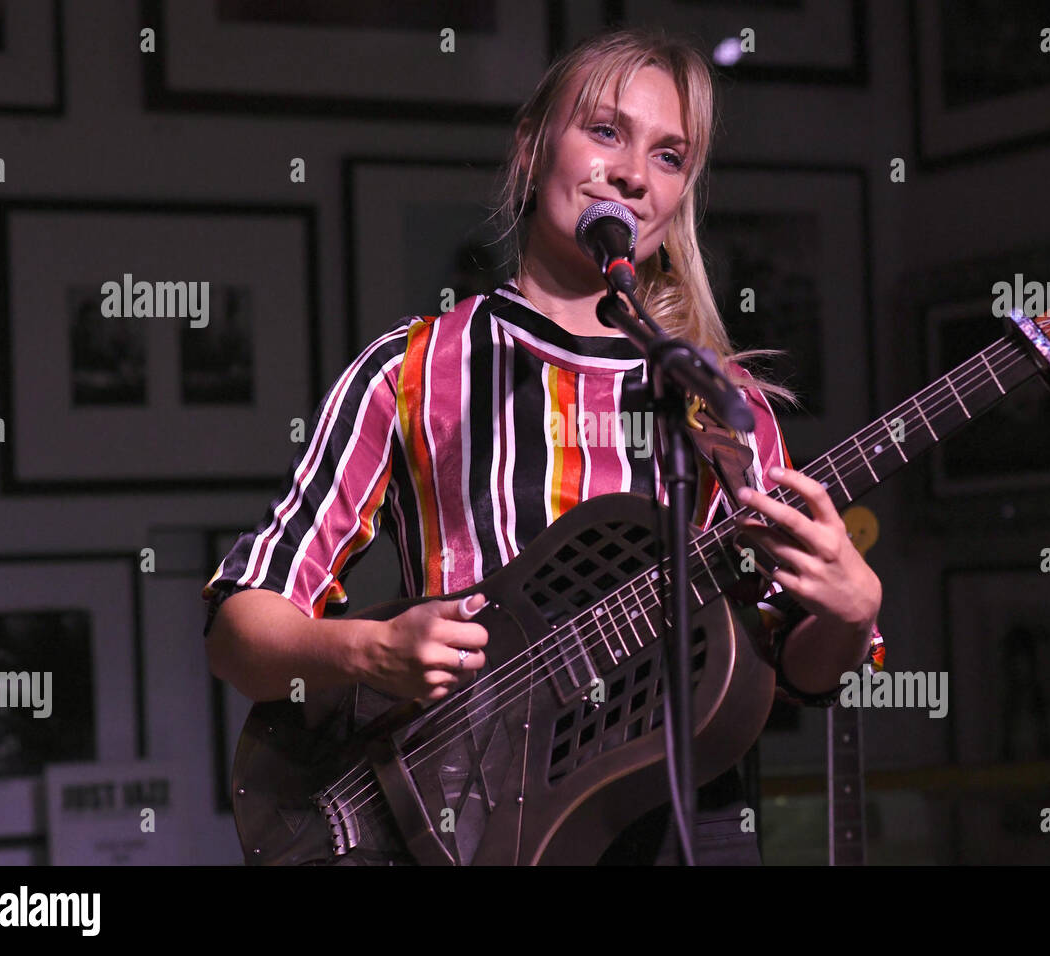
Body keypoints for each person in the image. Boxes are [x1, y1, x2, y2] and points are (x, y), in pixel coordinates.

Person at [202, 26, 884, 865]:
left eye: (670, 157)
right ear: (532, 148)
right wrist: (372, 651)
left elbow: (795, 670)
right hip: (475, 827)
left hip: (685, 828)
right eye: (606, 131)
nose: (634, 173)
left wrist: (850, 615)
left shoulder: (722, 408)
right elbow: (241, 628)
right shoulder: (412, 371)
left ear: (678, 203)